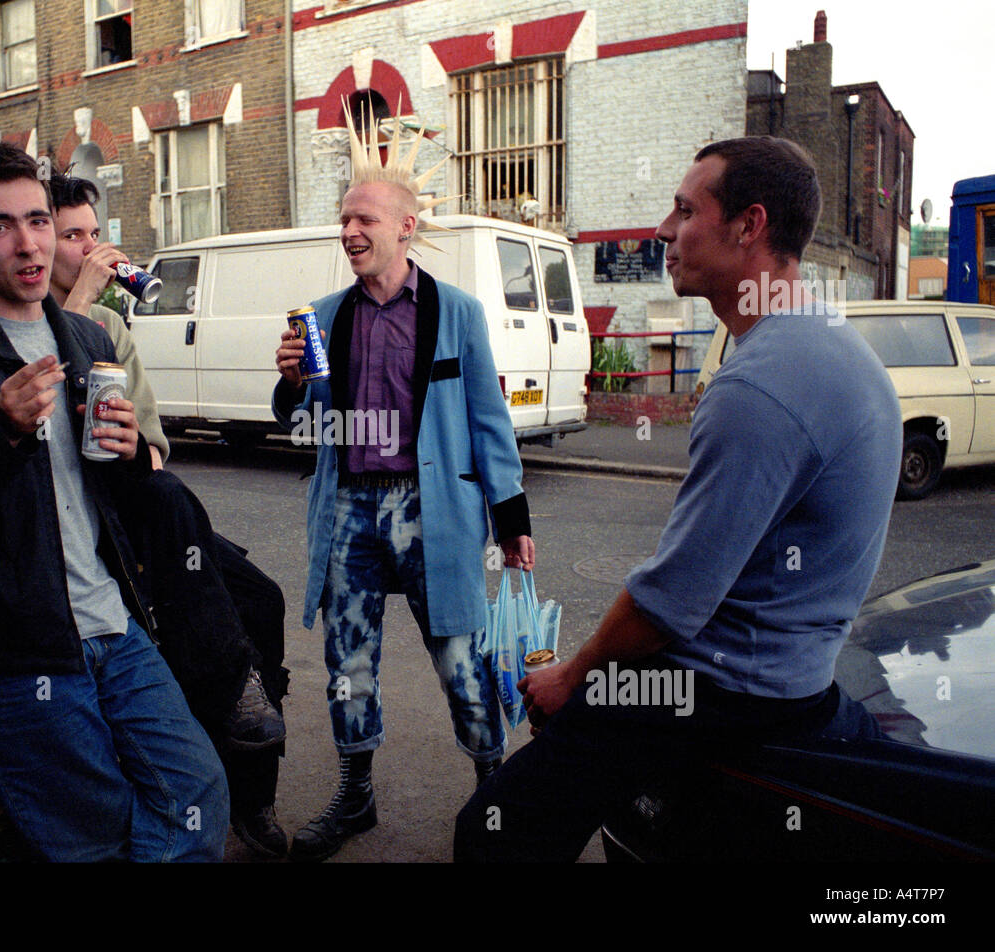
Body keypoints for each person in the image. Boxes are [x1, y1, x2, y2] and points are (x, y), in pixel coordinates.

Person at [455, 136, 901, 862]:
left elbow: (670, 605)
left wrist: (570, 679)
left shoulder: (761, 384)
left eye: (685, 209)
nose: (664, 230)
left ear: (748, 225)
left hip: (724, 689)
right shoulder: (828, 344)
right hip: (797, 674)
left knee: (492, 832)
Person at [0, 142, 228, 861]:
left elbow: (119, 503)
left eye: (38, 220)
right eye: (0, 226)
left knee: (194, 793)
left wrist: (133, 458)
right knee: (91, 837)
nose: (29, 241)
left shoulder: (86, 335)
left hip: (111, 625)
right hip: (12, 652)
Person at [272, 110, 535, 862]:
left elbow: (490, 420)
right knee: (348, 664)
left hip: (436, 511)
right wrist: (290, 384)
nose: (350, 230)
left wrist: (510, 516)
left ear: (406, 227)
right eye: (343, 219)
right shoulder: (323, 317)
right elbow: (303, 423)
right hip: (349, 510)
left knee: (462, 659)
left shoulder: (457, 313)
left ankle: (493, 793)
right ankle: (356, 796)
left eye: (364, 218)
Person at [46, 170, 292, 857]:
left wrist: (144, 454)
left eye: (95, 233)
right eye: (73, 236)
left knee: (261, 601)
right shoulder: (37, 321)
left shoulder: (111, 325)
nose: (91, 247)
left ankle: (254, 797)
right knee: (189, 599)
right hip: (91, 529)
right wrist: (83, 299)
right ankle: (219, 710)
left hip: (148, 506)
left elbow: (148, 439)